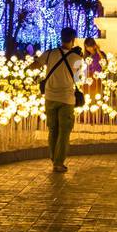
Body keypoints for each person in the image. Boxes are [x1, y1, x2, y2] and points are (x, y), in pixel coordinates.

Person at [34, 27, 83, 173]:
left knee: (53, 129)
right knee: (64, 132)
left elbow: (35, 64)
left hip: (50, 97)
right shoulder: (77, 59)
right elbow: (80, 79)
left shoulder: (50, 54)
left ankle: (53, 158)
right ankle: (58, 162)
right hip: (67, 99)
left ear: (60, 38)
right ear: (73, 40)